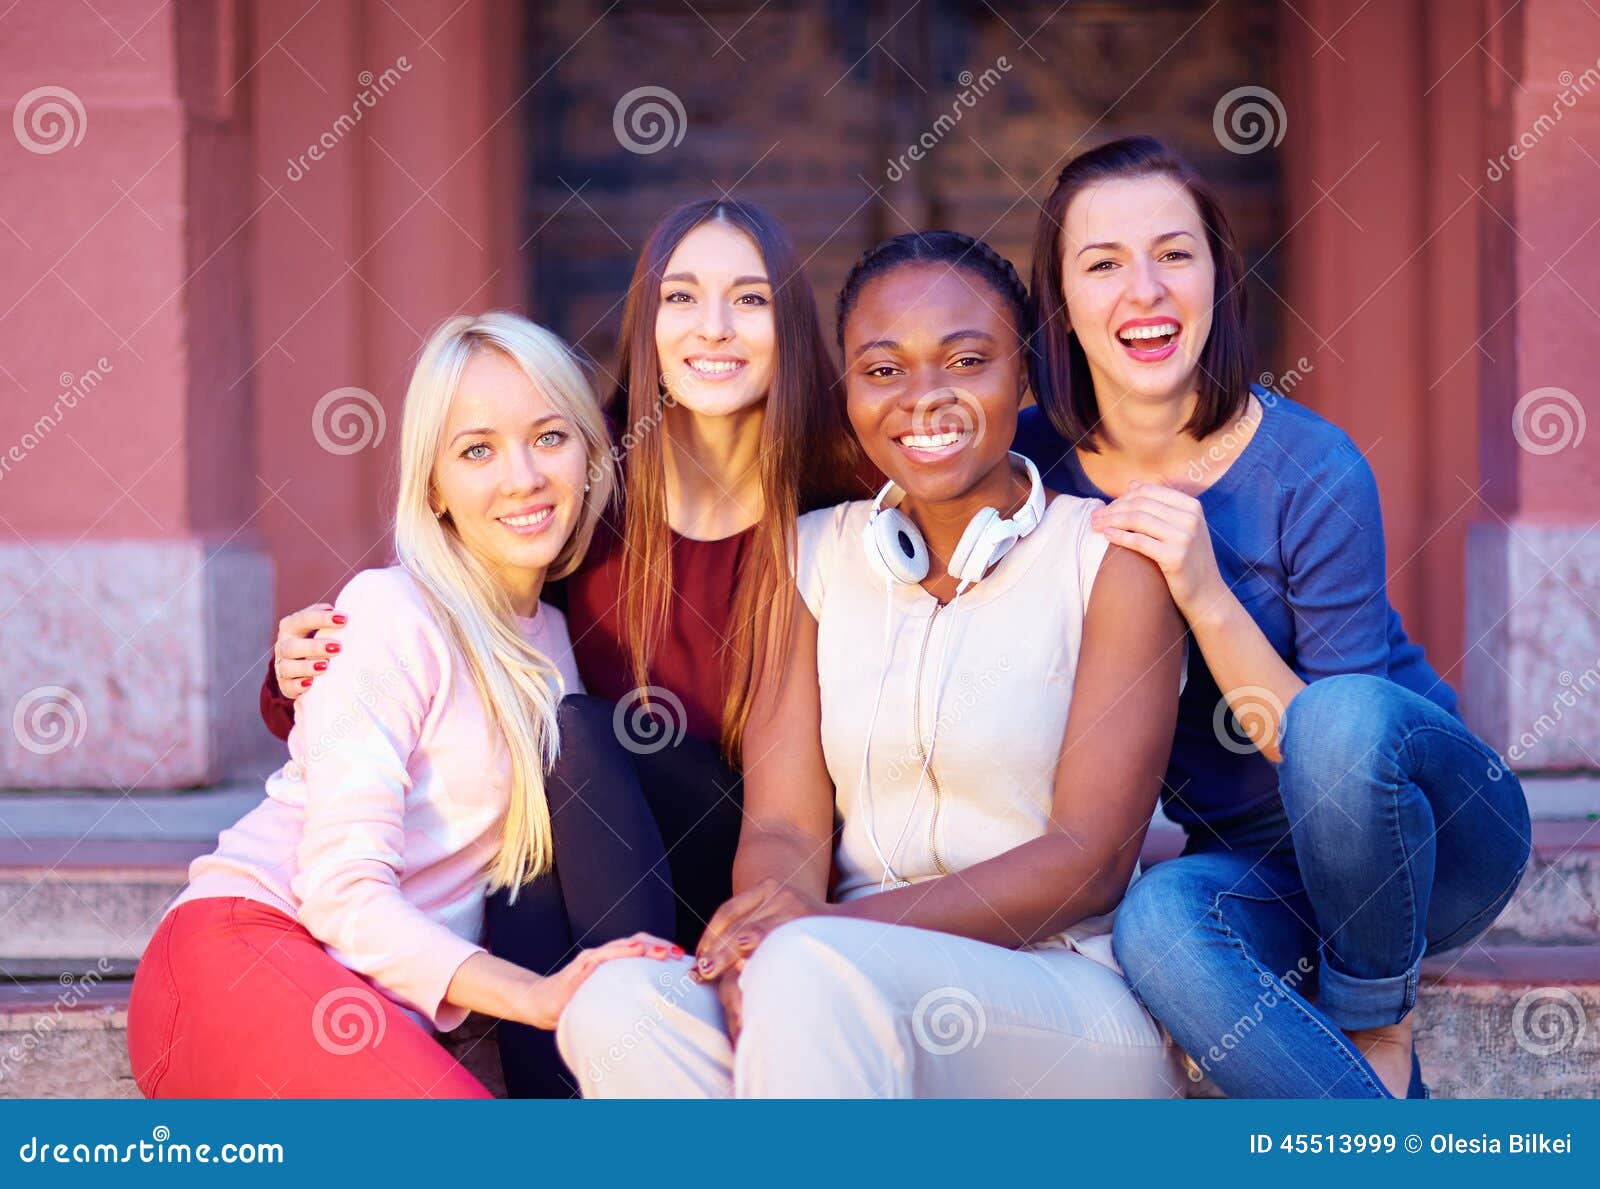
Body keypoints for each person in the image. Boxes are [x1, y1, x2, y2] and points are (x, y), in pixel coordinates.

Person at [554, 232, 1187, 1098]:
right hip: (826, 982)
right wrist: (763, 928)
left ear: (1027, 374)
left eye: (966, 360)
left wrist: (824, 932)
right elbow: (782, 825)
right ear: (845, 389)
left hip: (1062, 996)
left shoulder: (1109, 558)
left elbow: (1089, 858)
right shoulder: (809, 555)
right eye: (883, 370)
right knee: (619, 1007)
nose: (924, 398)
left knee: (811, 975)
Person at [254, 199, 864, 1096]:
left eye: (750, 299)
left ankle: (643, 1033)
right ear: (648, 323)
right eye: (683, 298)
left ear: (791, 324)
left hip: (772, 851)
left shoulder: (838, 495)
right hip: (599, 856)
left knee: (572, 734)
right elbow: (449, 593)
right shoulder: (589, 470)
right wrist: (294, 676)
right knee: (528, 839)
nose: (714, 329)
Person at [1016, 135, 1531, 1098]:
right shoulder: (1031, 472)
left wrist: (1204, 590)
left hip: (1423, 842)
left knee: (1337, 718)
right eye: (1102, 264)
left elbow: (1332, 759)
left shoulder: (1314, 467)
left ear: (1218, 273)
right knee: (1159, 925)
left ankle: (1377, 1009)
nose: (1146, 290)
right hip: (1261, 872)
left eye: (1175, 253)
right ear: (1062, 303)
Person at [126, 313, 675, 1098]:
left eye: (550, 437)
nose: (522, 477)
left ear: (590, 453)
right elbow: (342, 893)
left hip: (376, 1008)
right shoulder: (390, 612)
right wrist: (533, 995)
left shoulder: (560, 638)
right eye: (477, 450)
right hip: (243, 949)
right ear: (434, 487)